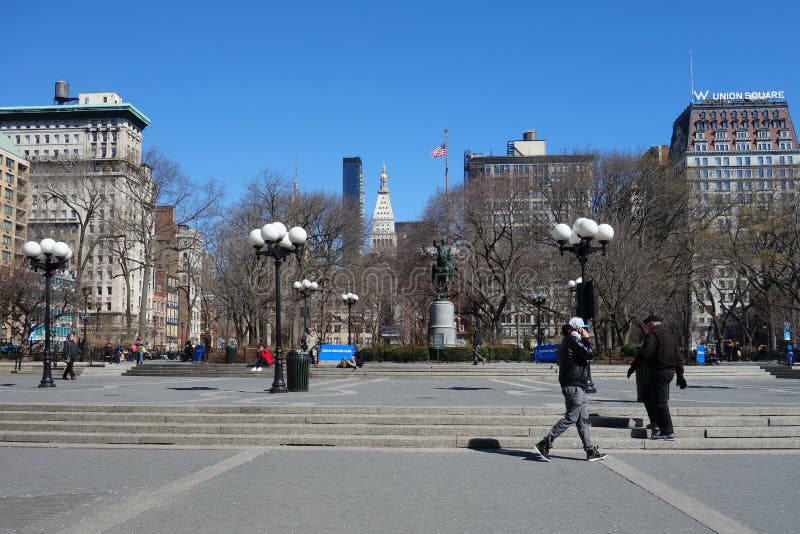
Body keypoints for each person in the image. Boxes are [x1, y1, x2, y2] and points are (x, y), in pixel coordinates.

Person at [533, 317, 607, 462]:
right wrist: (587, 339)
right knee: (571, 417)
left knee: (583, 419)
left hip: (577, 385)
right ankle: (544, 443)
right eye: (583, 328)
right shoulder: (572, 340)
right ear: (577, 329)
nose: (585, 331)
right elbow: (590, 353)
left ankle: (590, 450)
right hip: (573, 385)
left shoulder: (570, 340)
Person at [627, 314, 687, 441]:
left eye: (646, 325)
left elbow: (645, 354)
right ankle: (655, 421)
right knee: (646, 394)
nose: (646, 328)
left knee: (660, 401)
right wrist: (680, 374)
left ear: (651, 324)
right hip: (669, 371)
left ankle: (667, 432)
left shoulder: (653, 335)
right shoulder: (670, 335)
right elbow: (678, 357)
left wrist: (633, 367)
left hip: (660, 371)